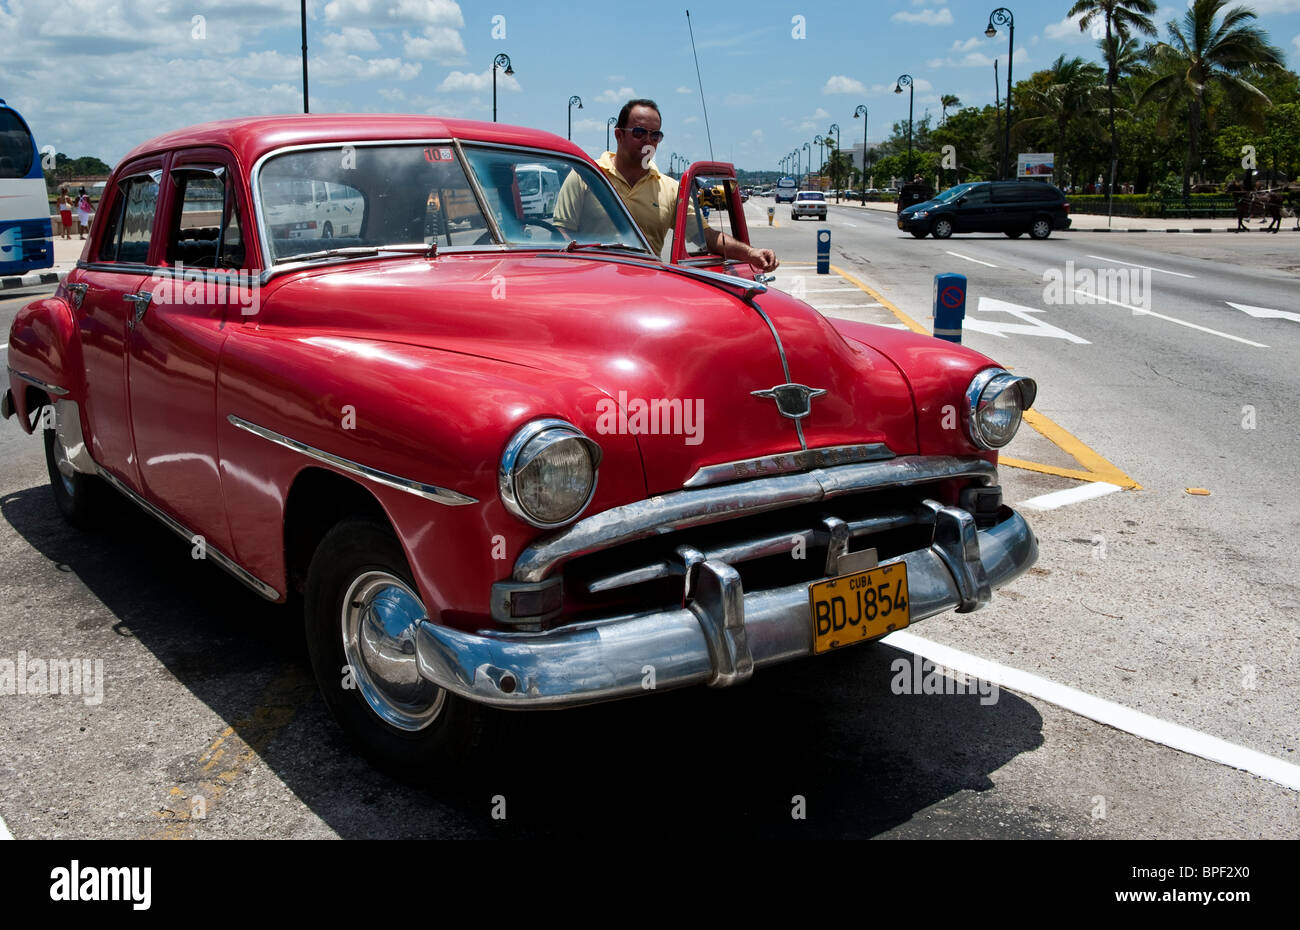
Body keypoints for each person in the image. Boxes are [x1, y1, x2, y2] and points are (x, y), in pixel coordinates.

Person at [553, 98, 777, 271]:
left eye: (655, 135)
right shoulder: (586, 177)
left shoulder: (670, 189)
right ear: (619, 135)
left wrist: (750, 253)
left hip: (648, 286)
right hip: (592, 284)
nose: (648, 141)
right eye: (640, 133)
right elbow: (561, 234)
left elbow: (704, 237)